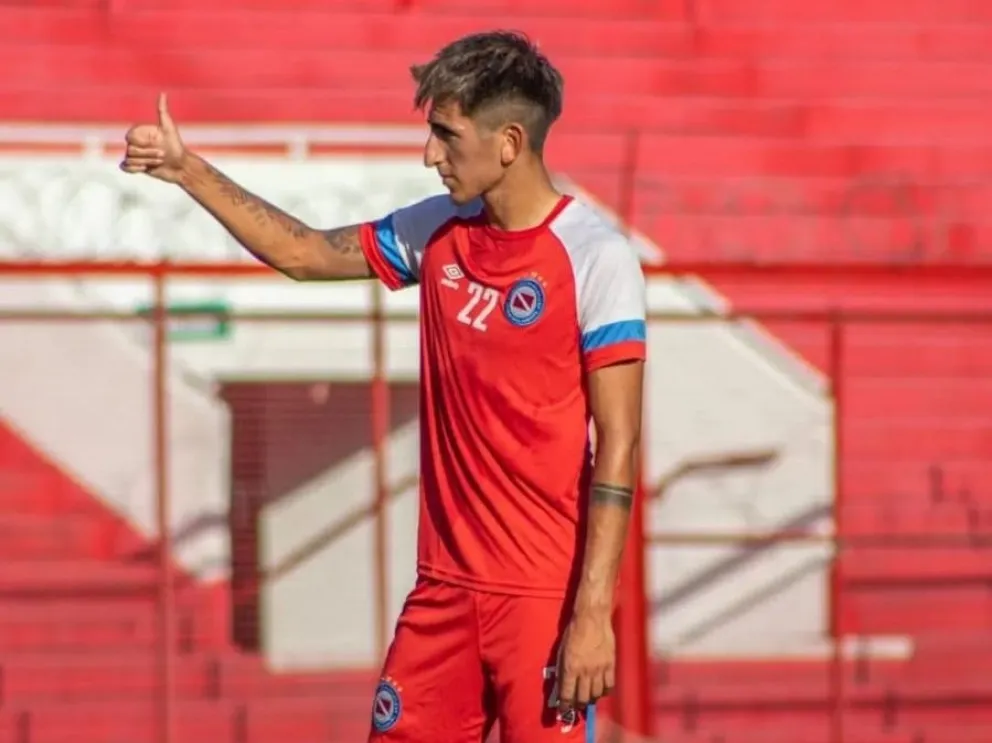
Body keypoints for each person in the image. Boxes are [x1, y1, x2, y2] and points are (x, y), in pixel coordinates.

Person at [121, 30, 646, 743]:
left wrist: (592, 614)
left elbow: (617, 445)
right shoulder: (438, 232)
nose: (429, 154)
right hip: (442, 594)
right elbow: (305, 253)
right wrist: (187, 170)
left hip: (543, 603)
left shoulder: (596, 257)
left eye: (445, 134)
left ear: (510, 142)